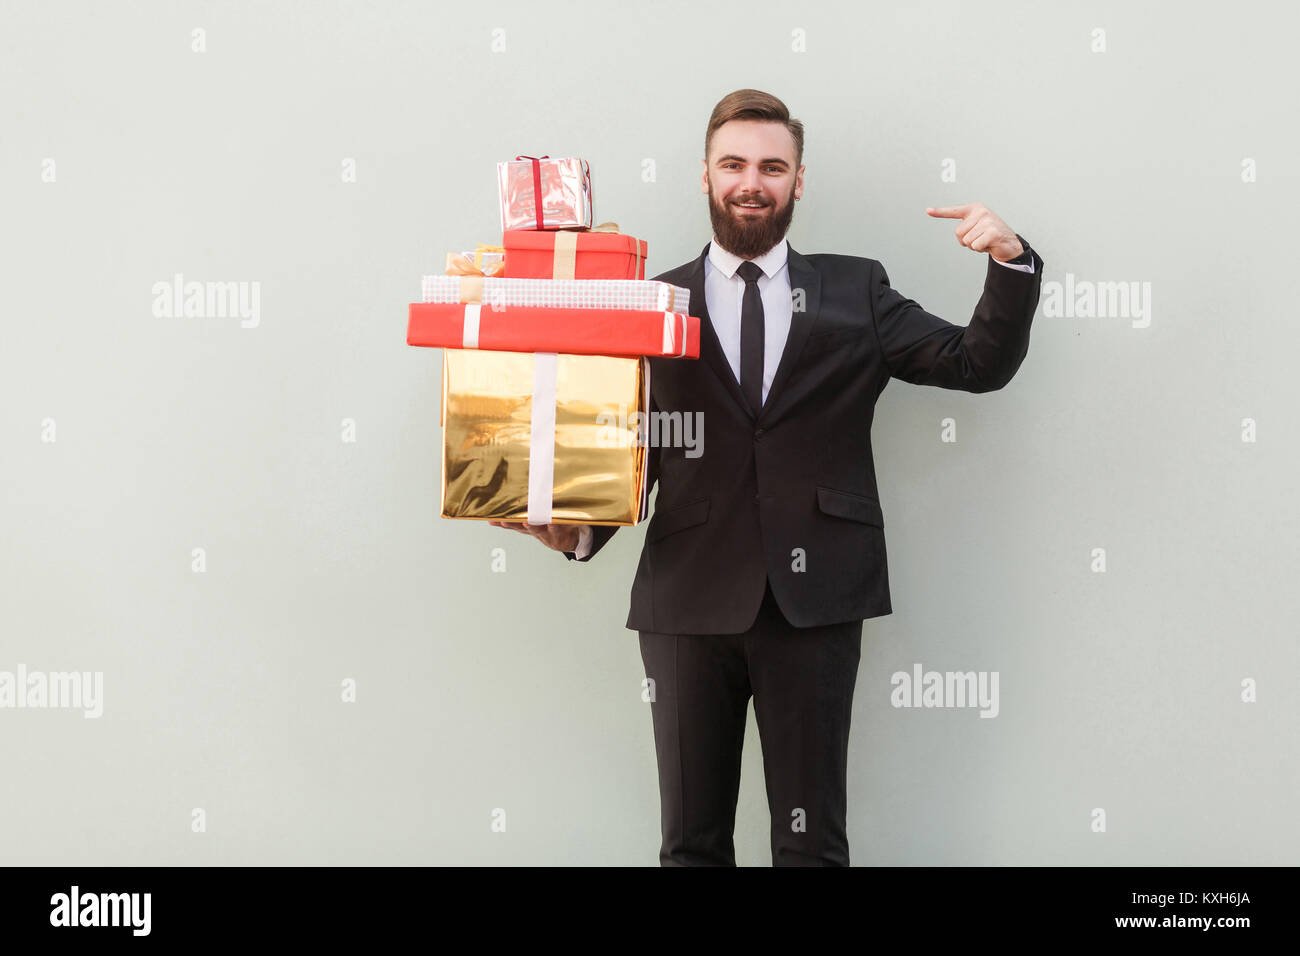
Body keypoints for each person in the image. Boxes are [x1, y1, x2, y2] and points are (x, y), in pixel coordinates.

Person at [491, 89, 1043, 866]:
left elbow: (975, 364)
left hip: (816, 604)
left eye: (773, 166)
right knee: (691, 845)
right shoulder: (652, 301)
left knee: (812, 847)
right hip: (687, 601)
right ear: (707, 175)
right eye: (735, 164)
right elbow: (630, 447)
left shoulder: (857, 291)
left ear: (798, 181)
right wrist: (578, 530)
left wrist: (1010, 261)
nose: (753, 181)